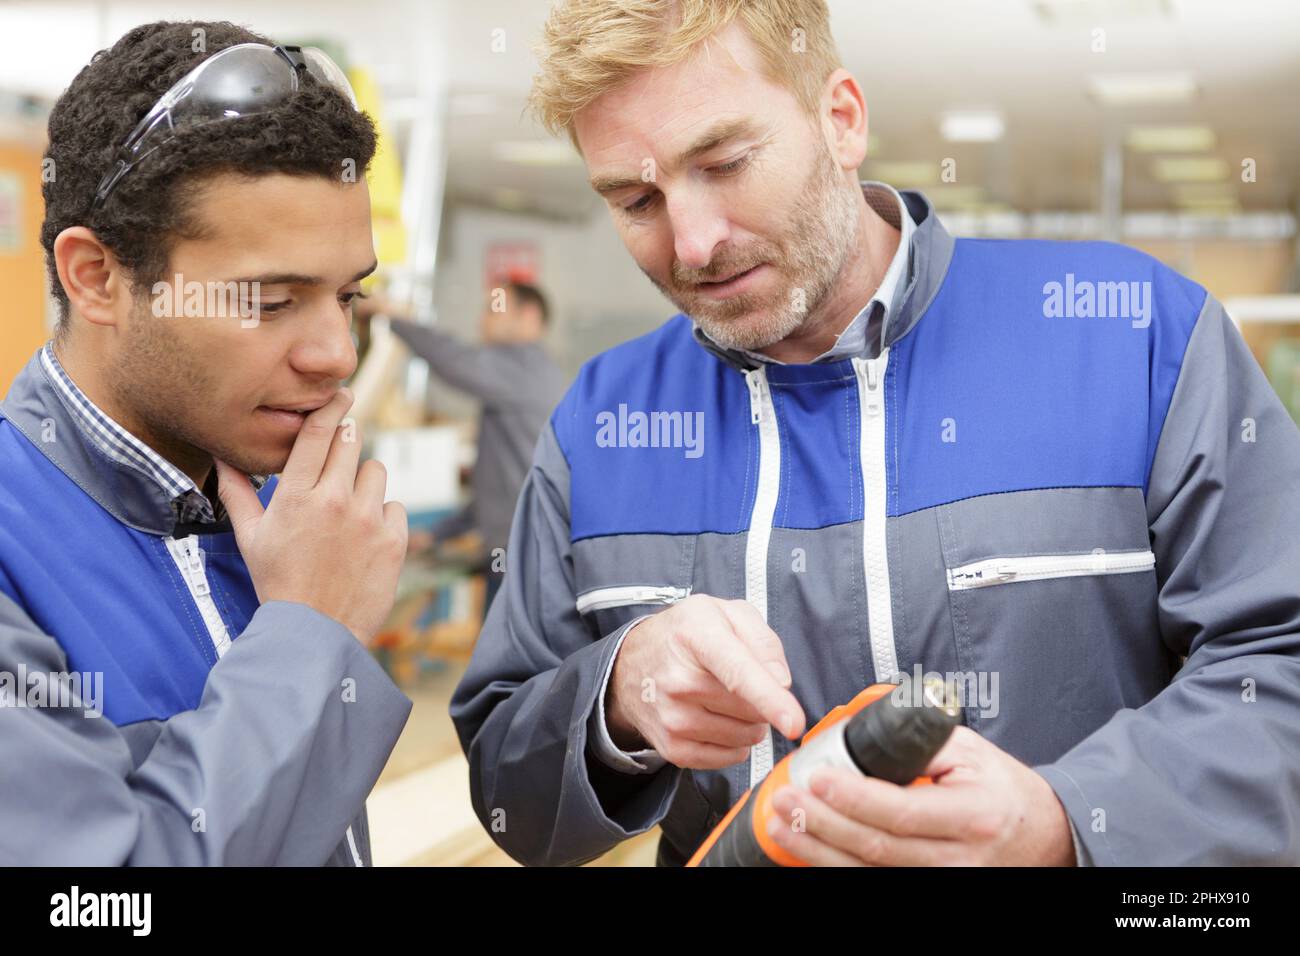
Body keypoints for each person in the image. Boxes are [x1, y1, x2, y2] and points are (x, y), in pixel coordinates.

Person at [451, 0, 1300, 866]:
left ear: (840, 119)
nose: (693, 244)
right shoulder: (603, 423)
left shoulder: (1135, 336)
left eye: (728, 162)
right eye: (636, 200)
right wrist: (617, 698)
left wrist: (1071, 821)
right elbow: (506, 783)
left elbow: (1282, 670)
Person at [0, 20, 411, 865]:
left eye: (348, 295)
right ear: (97, 276)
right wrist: (309, 629)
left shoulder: (275, 514)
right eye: (266, 301)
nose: (337, 353)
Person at [359, 281, 566, 612]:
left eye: (494, 308)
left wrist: (396, 319)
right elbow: (504, 486)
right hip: (518, 550)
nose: (482, 320)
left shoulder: (525, 370)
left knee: (509, 660)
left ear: (529, 316)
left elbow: (453, 359)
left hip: (522, 554)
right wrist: (440, 533)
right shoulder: (524, 377)